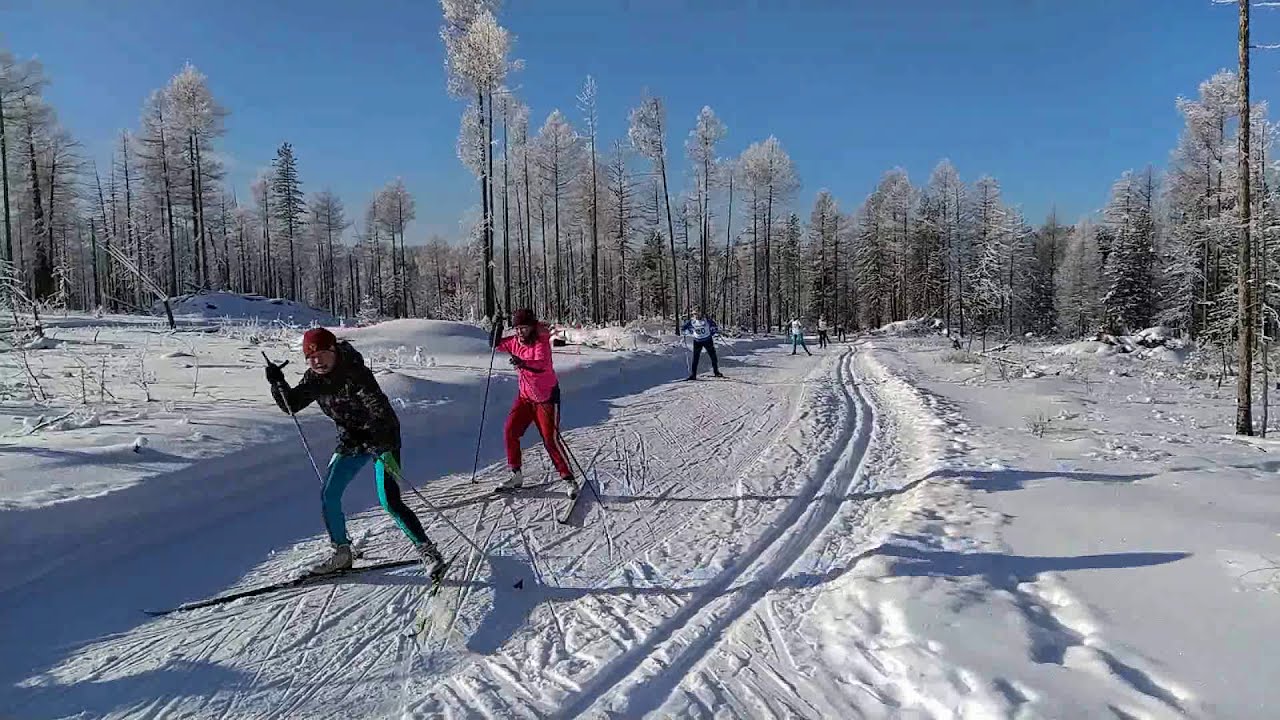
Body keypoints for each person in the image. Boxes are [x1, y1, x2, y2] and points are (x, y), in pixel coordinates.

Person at [266, 327, 443, 575]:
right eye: (311, 357)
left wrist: (375, 433)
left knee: (389, 500)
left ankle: (427, 551)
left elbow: (376, 405)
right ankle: (341, 553)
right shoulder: (313, 379)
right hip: (352, 440)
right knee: (329, 494)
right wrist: (278, 382)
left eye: (322, 354)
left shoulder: (354, 372)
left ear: (333, 350)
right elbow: (292, 405)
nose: (317, 361)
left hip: (382, 438)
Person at [495, 308, 573, 490]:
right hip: (525, 397)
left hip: (546, 397)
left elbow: (541, 365)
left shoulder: (541, 341)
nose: (520, 332)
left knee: (549, 439)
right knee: (510, 431)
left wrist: (523, 363)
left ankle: (568, 478)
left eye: (524, 328)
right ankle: (516, 474)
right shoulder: (515, 341)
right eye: (517, 328)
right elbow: (494, 344)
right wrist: (497, 326)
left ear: (531, 327)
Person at [681, 306, 724, 380]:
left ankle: (716, 372)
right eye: (694, 314)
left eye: (697, 313)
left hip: (707, 340)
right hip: (697, 341)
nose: (696, 315)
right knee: (695, 358)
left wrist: (713, 331)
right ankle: (693, 375)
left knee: (713, 356)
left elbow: (714, 326)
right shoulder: (692, 321)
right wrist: (687, 331)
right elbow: (683, 328)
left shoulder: (706, 320)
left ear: (701, 313)